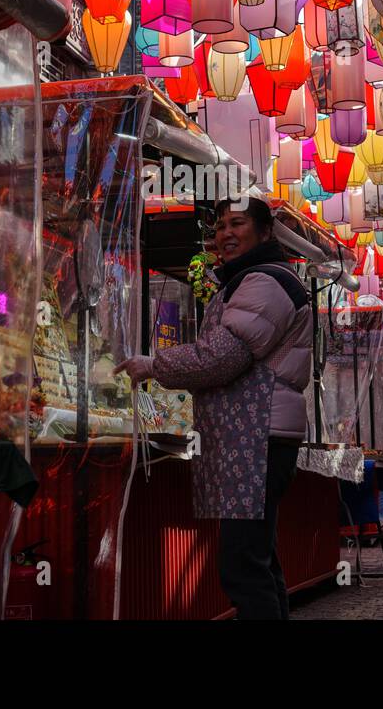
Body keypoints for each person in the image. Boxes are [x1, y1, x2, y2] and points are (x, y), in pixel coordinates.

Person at [115, 197, 313, 619]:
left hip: (257, 438)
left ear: (264, 232)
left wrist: (153, 365)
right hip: (256, 437)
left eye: (237, 224)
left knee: (243, 566)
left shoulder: (264, 282)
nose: (225, 234)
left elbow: (221, 358)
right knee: (258, 559)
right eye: (220, 225)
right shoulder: (249, 280)